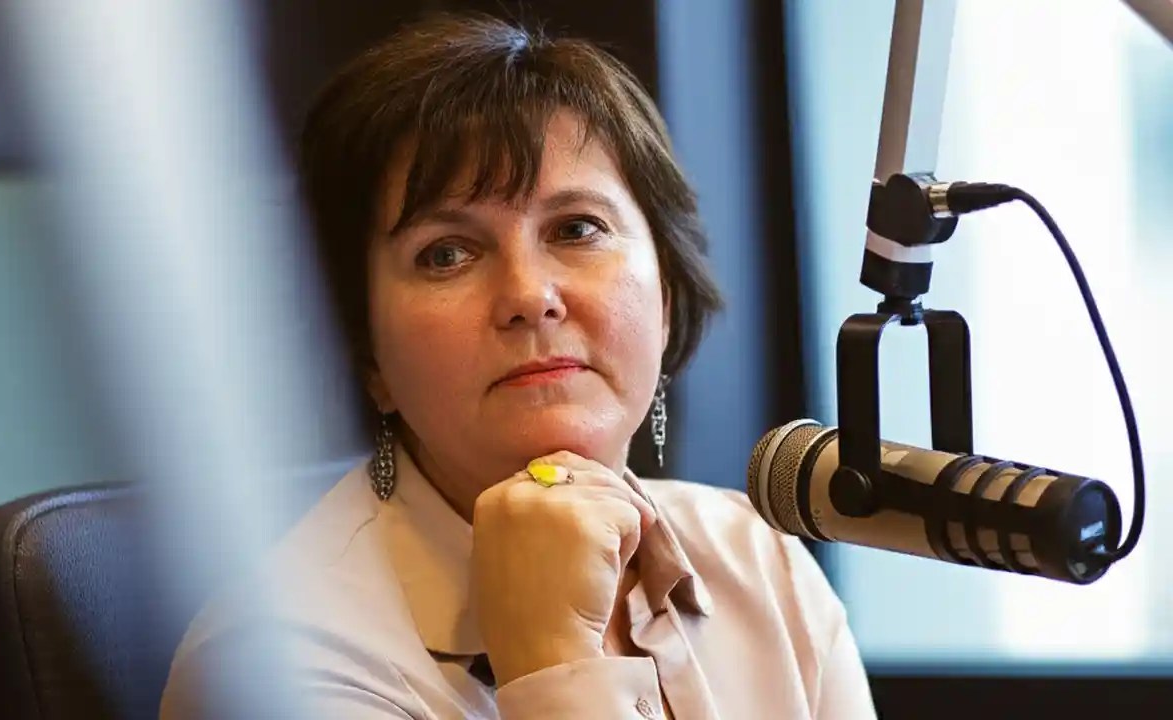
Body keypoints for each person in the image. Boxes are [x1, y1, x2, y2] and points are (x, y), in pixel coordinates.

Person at [160, 12, 876, 719]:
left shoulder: (757, 558)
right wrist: (554, 659)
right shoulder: (271, 670)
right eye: (446, 253)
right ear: (366, 352)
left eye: (576, 229)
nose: (530, 297)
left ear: (664, 295)